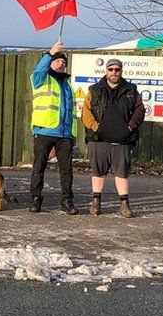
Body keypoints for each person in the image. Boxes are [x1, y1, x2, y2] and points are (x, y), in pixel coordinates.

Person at [81, 58, 145, 218]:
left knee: (122, 173)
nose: (114, 72)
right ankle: (96, 202)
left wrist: (129, 127)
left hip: (122, 139)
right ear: (106, 71)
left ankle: (124, 205)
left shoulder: (131, 90)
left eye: (117, 69)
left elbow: (140, 110)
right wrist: (96, 127)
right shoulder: (94, 89)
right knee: (98, 172)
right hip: (98, 139)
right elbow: (86, 111)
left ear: (121, 71)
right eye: (111, 69)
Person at [29, 42, 78, 215]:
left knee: (67, 170)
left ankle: (67, 201)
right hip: (44, 130)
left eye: (63, 62)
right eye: (57, 61)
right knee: (39, 168)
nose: (61, 64)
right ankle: (36, 199)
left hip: (65, 134)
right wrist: (51, 53)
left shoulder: (68, 85)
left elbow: (71, 112)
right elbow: (38, 70)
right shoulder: (41, 79)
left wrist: (72, 134)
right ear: (50, 63)